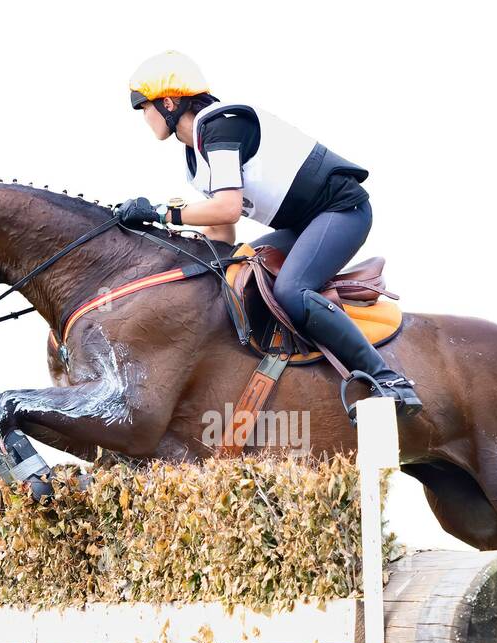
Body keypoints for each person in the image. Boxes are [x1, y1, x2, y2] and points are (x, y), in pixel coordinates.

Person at [116, 50, 422, 414]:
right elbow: (222, 228)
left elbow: (228, 206)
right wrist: (192, 260)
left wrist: (161, 213)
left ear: (167, 102)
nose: (144, 117)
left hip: (342, 212)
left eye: (143, 107)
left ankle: (387, 378)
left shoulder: (219, 126)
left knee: (292, 290)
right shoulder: (195, 156)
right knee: (239, 271)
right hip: (306, 224)